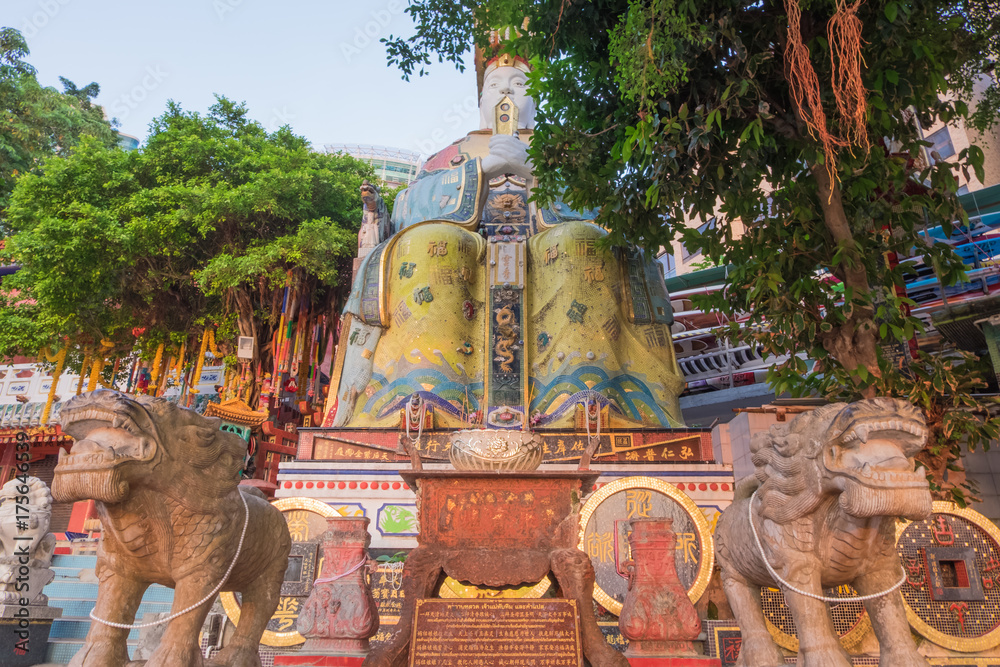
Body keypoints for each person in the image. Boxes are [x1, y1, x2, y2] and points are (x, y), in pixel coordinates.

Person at [325, 52, 683, 431]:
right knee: (433, 242)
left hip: (548, 247)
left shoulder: (565, 152)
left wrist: (535, 169)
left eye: (518, 85)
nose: (506, 93)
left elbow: (605, 206)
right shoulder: (451, 155)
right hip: (469, 249)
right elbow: (407, 206)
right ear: (481, 100)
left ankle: (579, 389)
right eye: (495, 86)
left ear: (535, 100)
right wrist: (480, 170)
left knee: (581, 241)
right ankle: (428, 390)